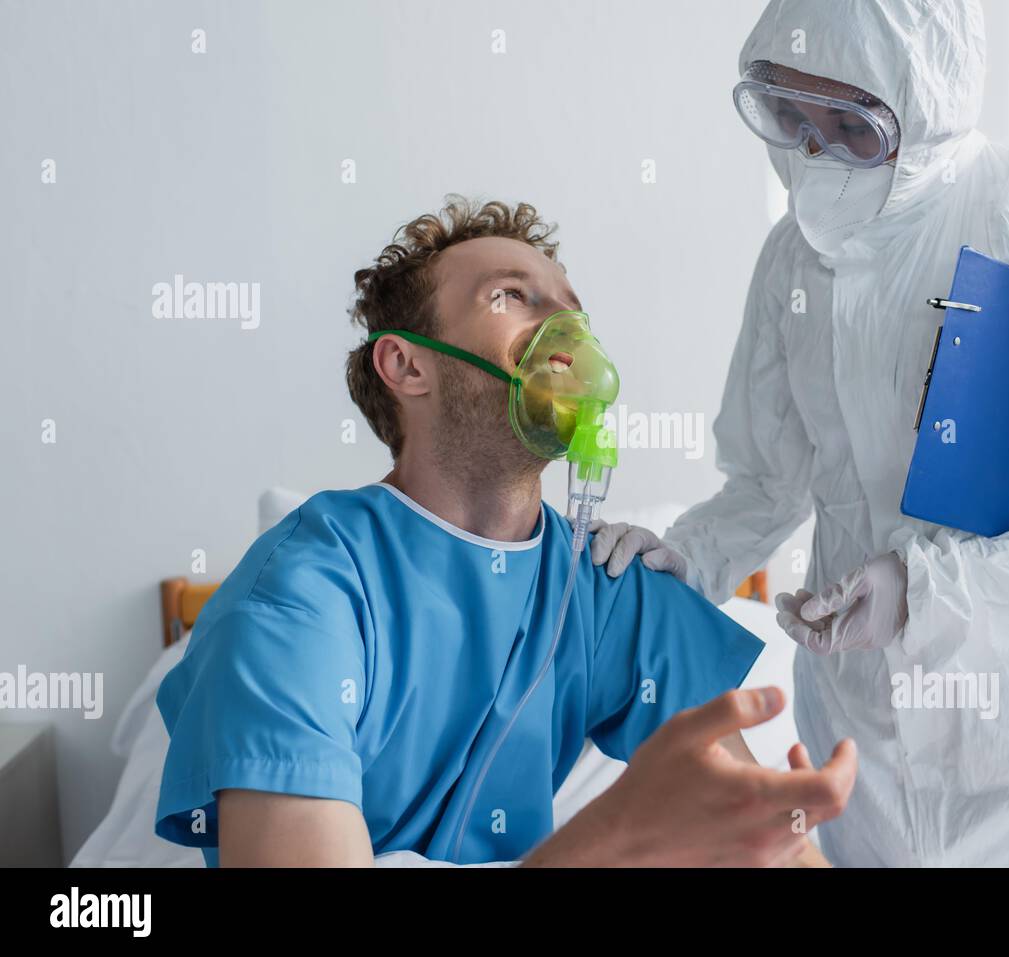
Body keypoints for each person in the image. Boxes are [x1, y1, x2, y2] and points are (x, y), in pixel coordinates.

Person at [591, 0, 1009, 867]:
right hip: (862, 772)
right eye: (789, 115)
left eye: (848, 124)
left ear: (927, 99)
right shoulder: (789, 259)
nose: (812, 153)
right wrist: (682, 561)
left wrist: (931, 593)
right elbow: (769, 482)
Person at [153, 196, 855, 867]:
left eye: (574, 310)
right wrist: (617, 839)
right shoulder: (304, 591)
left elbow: (762, 831)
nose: (569, 330)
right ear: (407, 364)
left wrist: (789, 828)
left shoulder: (605, 585)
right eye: (512, 296)